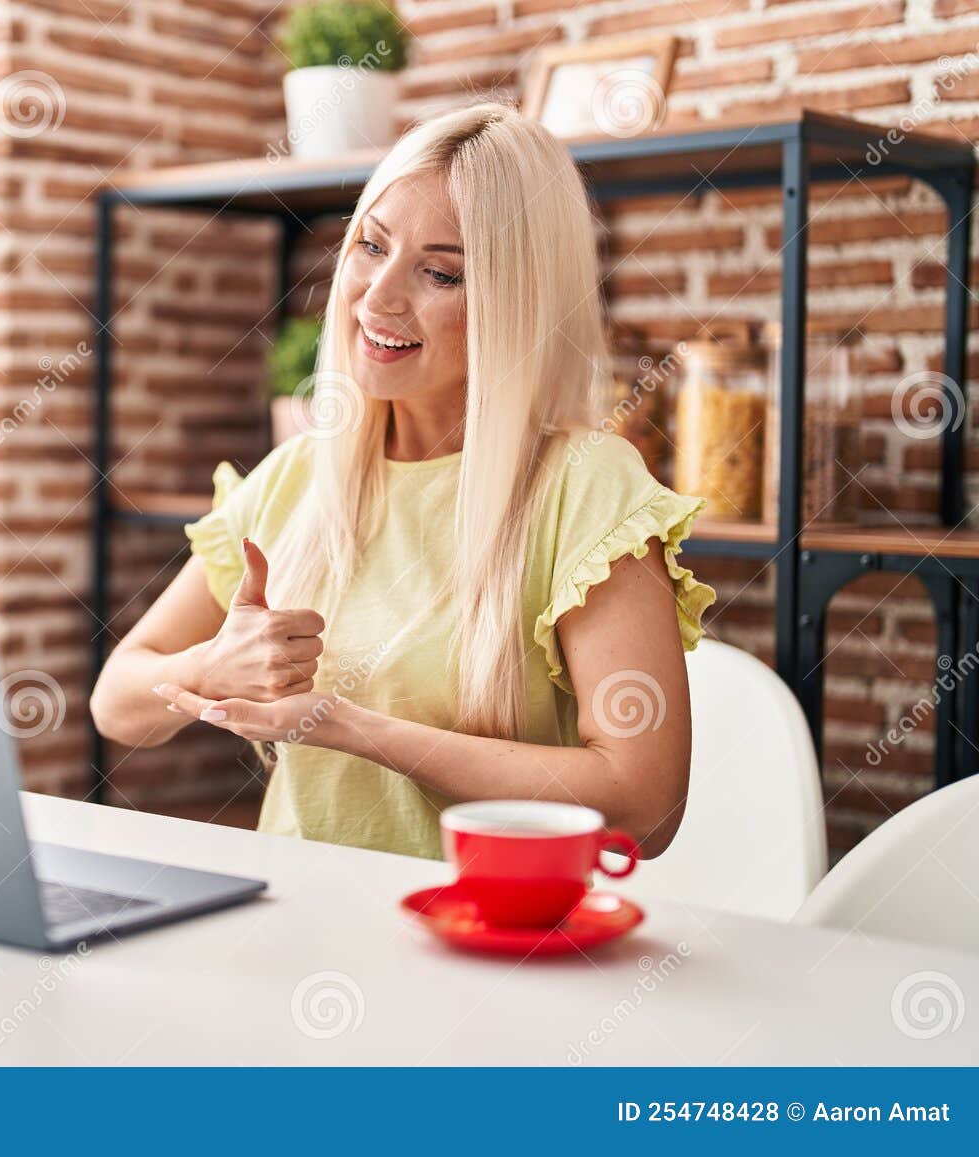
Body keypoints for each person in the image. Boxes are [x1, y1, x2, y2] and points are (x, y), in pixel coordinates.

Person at [88, 101, 716, 861]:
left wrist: (348, 726)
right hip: (293, 928)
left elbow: (646, 805)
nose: (377, 297)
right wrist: (208, 668)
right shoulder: (296, 477)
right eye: (371, 246)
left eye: (441, 272)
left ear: (516, 303)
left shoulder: (585, 487)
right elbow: (117, 700)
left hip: (493, 949)